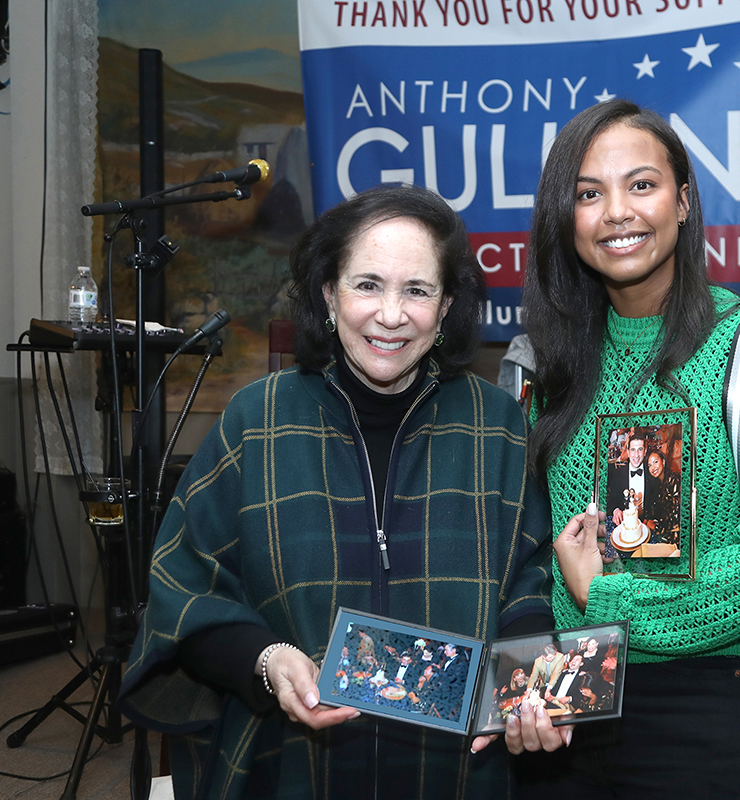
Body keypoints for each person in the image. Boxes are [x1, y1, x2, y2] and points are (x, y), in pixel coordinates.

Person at [118, 184, 554, 799]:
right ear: (329, 293)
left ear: (448, 303)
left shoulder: (499, 426)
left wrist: (526, 683)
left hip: (457, 772)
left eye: (418, 290)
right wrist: (266, 660)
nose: (392, 314)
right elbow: (183, 590)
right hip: (289, 764)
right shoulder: (257, 420)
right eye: (367, 284)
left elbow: (530, 580)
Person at [516, 99, 740, 797]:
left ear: (683, 202)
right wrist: (531, 695)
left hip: (703, 704)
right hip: (572, 698)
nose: (617, 211)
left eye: (642, 185)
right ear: (565, 218)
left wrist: (607, 596)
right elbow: (541, 558)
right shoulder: (553, 370)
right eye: (588, 194)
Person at [604, 429, 662, 527]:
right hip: (624, 525)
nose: (636, 455)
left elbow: (658, 505)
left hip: (646, 525)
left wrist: (651, 520)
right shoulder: (618, 474)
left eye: (640, 449)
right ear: (628, 451)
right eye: (633, 450)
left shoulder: (652, 474)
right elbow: (611, 501)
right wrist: (616, 511)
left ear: (645, 451)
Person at [645, 449, 681, 538]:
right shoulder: (657, 484)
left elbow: (677, 516)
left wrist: (656, 526)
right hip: (663, 530)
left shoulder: (674, 481)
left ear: (663, 461)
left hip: (675, 534)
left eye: (655, 462)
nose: (653, 468)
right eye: (649, 465)